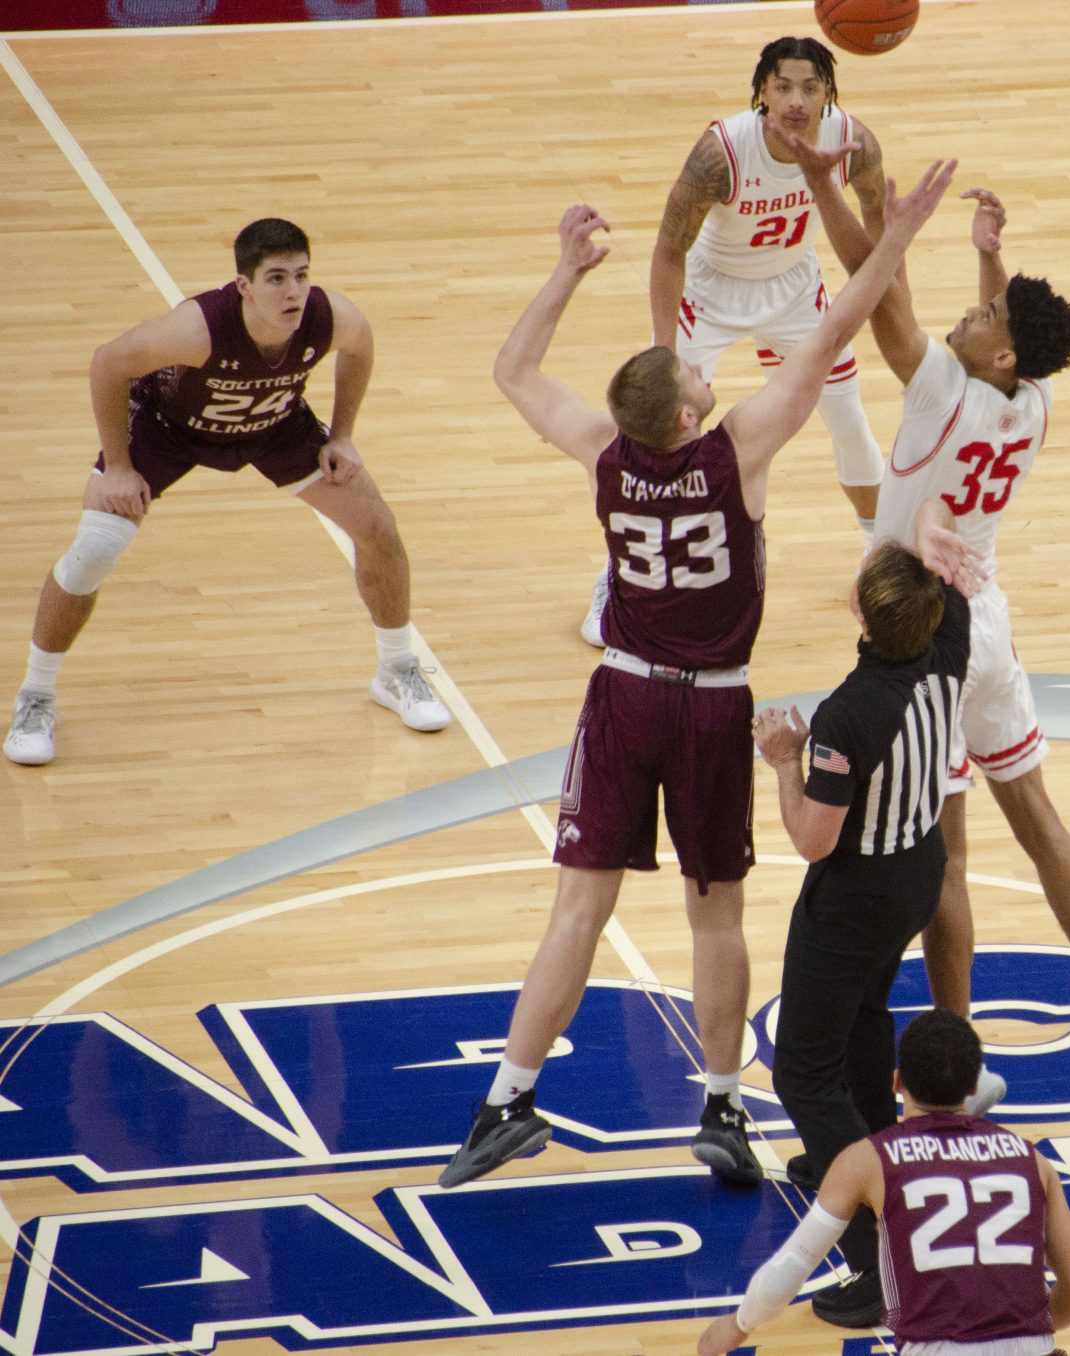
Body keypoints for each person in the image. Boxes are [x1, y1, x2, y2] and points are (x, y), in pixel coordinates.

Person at [437, 150, 955, 1193]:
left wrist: (566, 273)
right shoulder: (738, 451)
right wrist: (893, 238)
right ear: (683, 418)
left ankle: (506, 1099)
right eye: (694, 381)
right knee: (712, 914)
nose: (708, 379)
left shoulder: (604, 450)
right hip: (714, 707)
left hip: (623, 695)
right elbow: (830, 334)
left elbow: (511, 374)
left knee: (575, 910)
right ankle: (721, 1104)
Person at [779, 133, 1070, 1105]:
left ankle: (960, 1062)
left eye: (980, 309)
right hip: (988, 618)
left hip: (927, 636)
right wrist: (989, 254)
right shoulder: (1029, 404)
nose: (965, 308)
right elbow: (1012, 338)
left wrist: (832, 186)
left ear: (997, 352)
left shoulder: (943, 389)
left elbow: (877, 293)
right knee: (1034, 811)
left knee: (942, 851)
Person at [4, 218, 450, 767]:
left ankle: (397, 669)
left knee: (377, 527)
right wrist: (118, 466)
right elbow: (107, 363)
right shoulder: (198, 329)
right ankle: (36, 697)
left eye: (302, 276)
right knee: (94, 550)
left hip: (272, 426)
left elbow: (361, 347)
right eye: (277, 279)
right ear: (244, 285)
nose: (293, 292)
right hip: (166, 431)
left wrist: (343, 434)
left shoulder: (331, 316)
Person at [573, 35, 890, 647]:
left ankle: (881, 552)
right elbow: (669, 249)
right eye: (782, 87)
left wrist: (889, 297)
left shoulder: (853, 142)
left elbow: (878, 220)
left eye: (809, 87)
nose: (796, 100)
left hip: (796, 291)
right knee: (656, 435)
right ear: (762, 92)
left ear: (828, 93)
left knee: (849, 418)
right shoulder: (720, 154)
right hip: (711, 294)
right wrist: (664, 352)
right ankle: (616, 573)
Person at [749, 503, 978, 1324]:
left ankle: (882, 1253)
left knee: (801, 1072)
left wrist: (783, 759)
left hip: (854, 896)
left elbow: (813, 840)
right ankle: (877, 1156)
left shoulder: (848, 713)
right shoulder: (947, 650)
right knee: (861, 1027)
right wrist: (928, 549)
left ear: (860, 613)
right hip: (919, 873)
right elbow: (956, 591)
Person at [696, 1009, 1070, 1352]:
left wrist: (738, 1325)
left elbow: (794, 1263)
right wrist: (1023, 1334)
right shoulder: (1033, 1161)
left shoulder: (867, 1160)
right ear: (975, 1086)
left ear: (898, 1081)